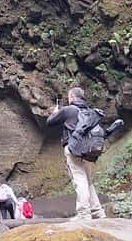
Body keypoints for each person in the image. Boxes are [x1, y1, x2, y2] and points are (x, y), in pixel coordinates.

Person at [46, 87, 107, 221]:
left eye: (69, 97)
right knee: (88, 181)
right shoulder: (90, 112)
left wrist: (56, 111)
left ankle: (84, 214)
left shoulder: (69, 110)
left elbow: (50, 122)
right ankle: (97, 212)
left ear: (72, 97)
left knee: (80, 180)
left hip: (74, 149)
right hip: (89, 150)